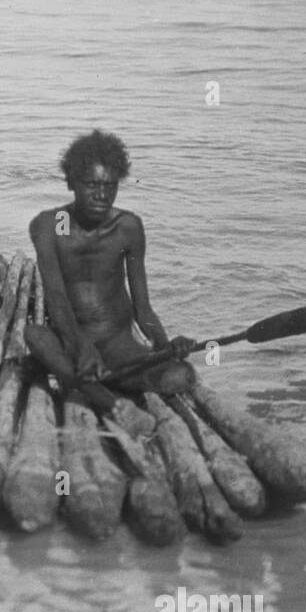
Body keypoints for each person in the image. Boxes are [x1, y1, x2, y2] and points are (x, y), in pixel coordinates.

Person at [25, 129, 195, 412]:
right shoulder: (49, 226)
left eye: (110, 186)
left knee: (182, 375)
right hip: (71, 340)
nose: (102, 195)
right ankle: (110, 401)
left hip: (119, 346)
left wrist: (167, 348)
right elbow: (57, 299)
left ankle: (92, 383)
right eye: (92, 184)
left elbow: (143, 309)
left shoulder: (127, 228)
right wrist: (81, 346)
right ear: (71, 182)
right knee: (35, 334)